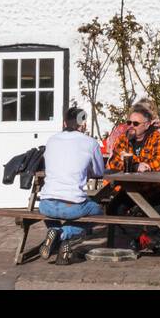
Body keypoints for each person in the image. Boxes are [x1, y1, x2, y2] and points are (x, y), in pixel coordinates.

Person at [38, 106, 106, 265]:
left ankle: (53, 231)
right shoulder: (91, 143)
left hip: (45, 203)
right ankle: (63, 233)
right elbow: (98, 172)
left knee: (53, 213)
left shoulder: (52, 140)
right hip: (72, 204)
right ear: (82, 124)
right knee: (98, 212)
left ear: (64, 122)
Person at [105, 102, 160, 173]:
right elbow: (113, 163)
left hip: (148, 182)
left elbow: (158, 164)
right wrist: (135, 166)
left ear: (147, 125)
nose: (131, 126)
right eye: (129, 123)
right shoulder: (123, 138)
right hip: (125, 182)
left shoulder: (156, 138)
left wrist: (128, 160)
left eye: (136, 123)